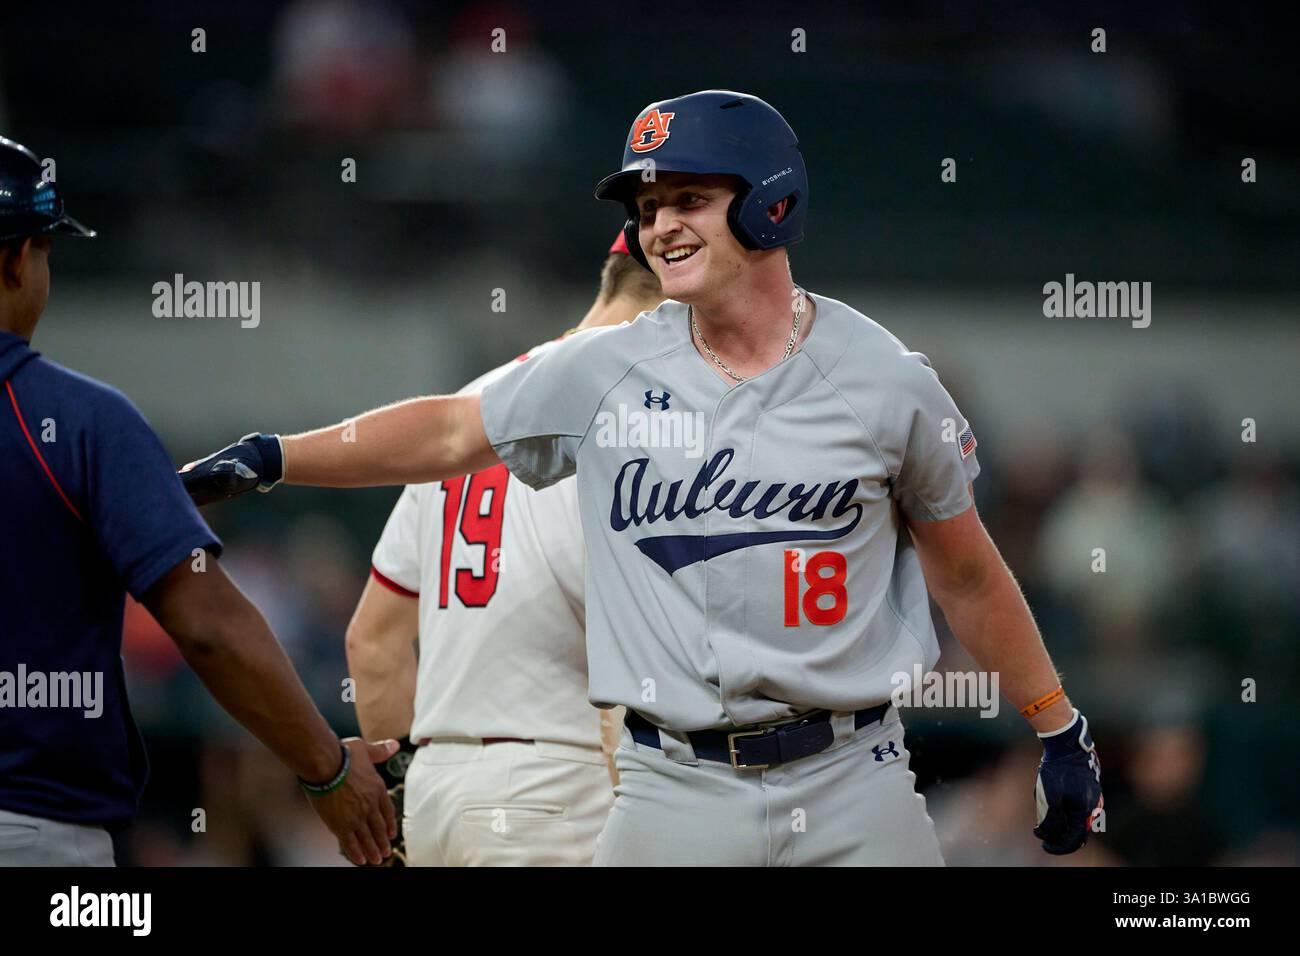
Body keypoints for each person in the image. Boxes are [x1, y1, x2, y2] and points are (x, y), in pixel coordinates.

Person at [181, 91, 1103, 866]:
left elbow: (968, 572)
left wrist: (1056, 724)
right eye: (648, 206)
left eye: (689, 198)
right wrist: (276, 455)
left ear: (770, 204)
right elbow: (455, 428)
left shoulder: (885, 380)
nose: (661, 225)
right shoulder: (609, 367)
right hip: (672, 786)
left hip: (851, 773)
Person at [0, 135, 396, 867]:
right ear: (16, 256)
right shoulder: (81, 420)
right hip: (31, 834)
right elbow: (208, 625)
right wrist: (330, 771)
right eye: (47, 250)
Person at [346, 233, 663, 865]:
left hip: (437, 793)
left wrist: (405, 803)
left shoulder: (469, 407)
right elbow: (628, 654)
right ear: (674, 300)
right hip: (557, 796)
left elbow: (372, 643)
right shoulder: (633, 412)